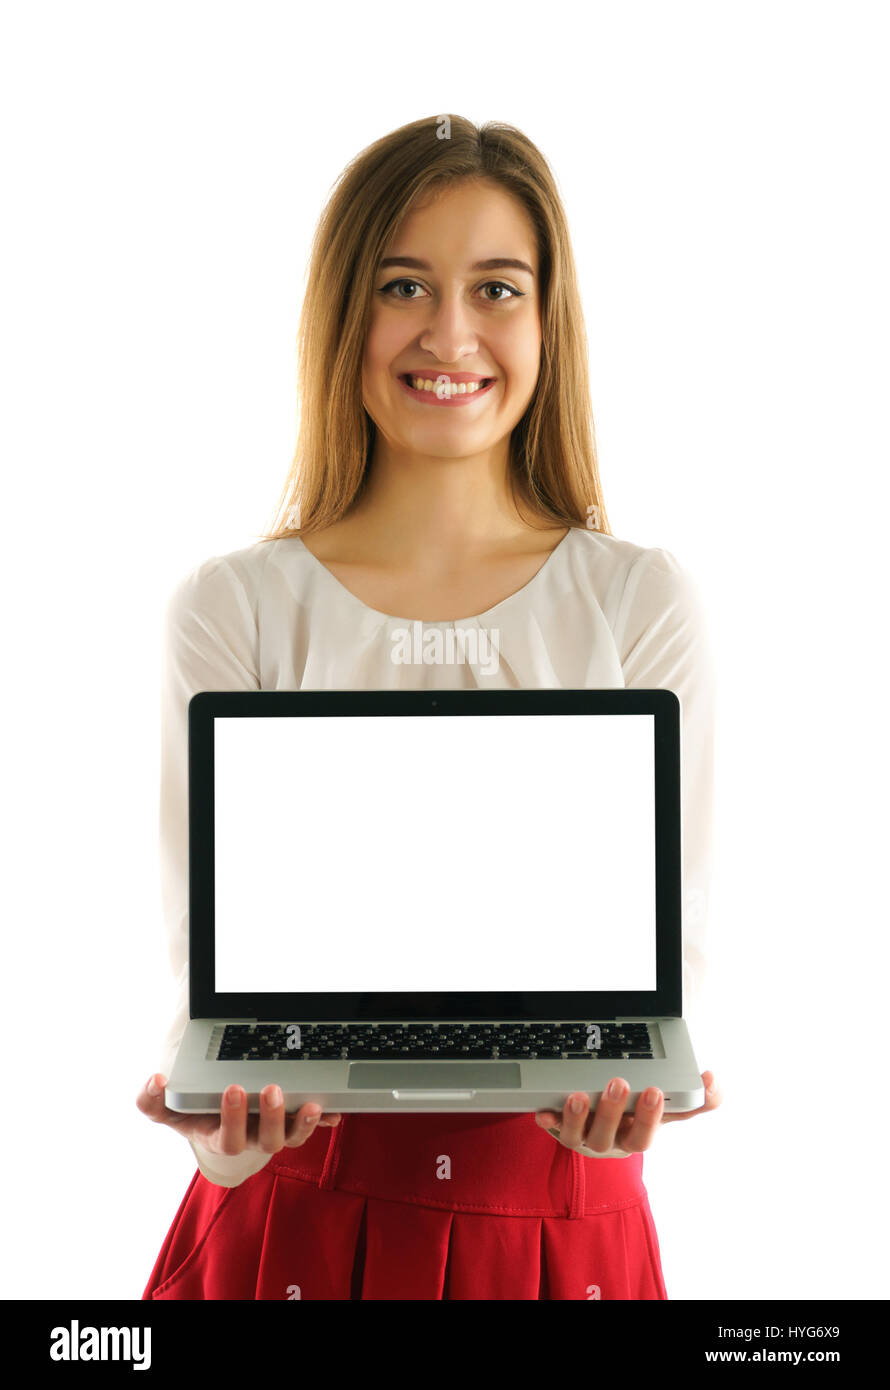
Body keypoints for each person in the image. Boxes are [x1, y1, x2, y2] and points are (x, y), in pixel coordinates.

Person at [138, 114, 722, 1301]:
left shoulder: (637, 598)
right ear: (342, 311)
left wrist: (640, 1082)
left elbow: (676, 943)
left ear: (545, 323)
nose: (449, 333)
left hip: (559, 1220)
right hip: (297, 1211)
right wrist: (224, 1136)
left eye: (494, 289)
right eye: (403, 284)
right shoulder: (235, 602)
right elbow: (211, 962)